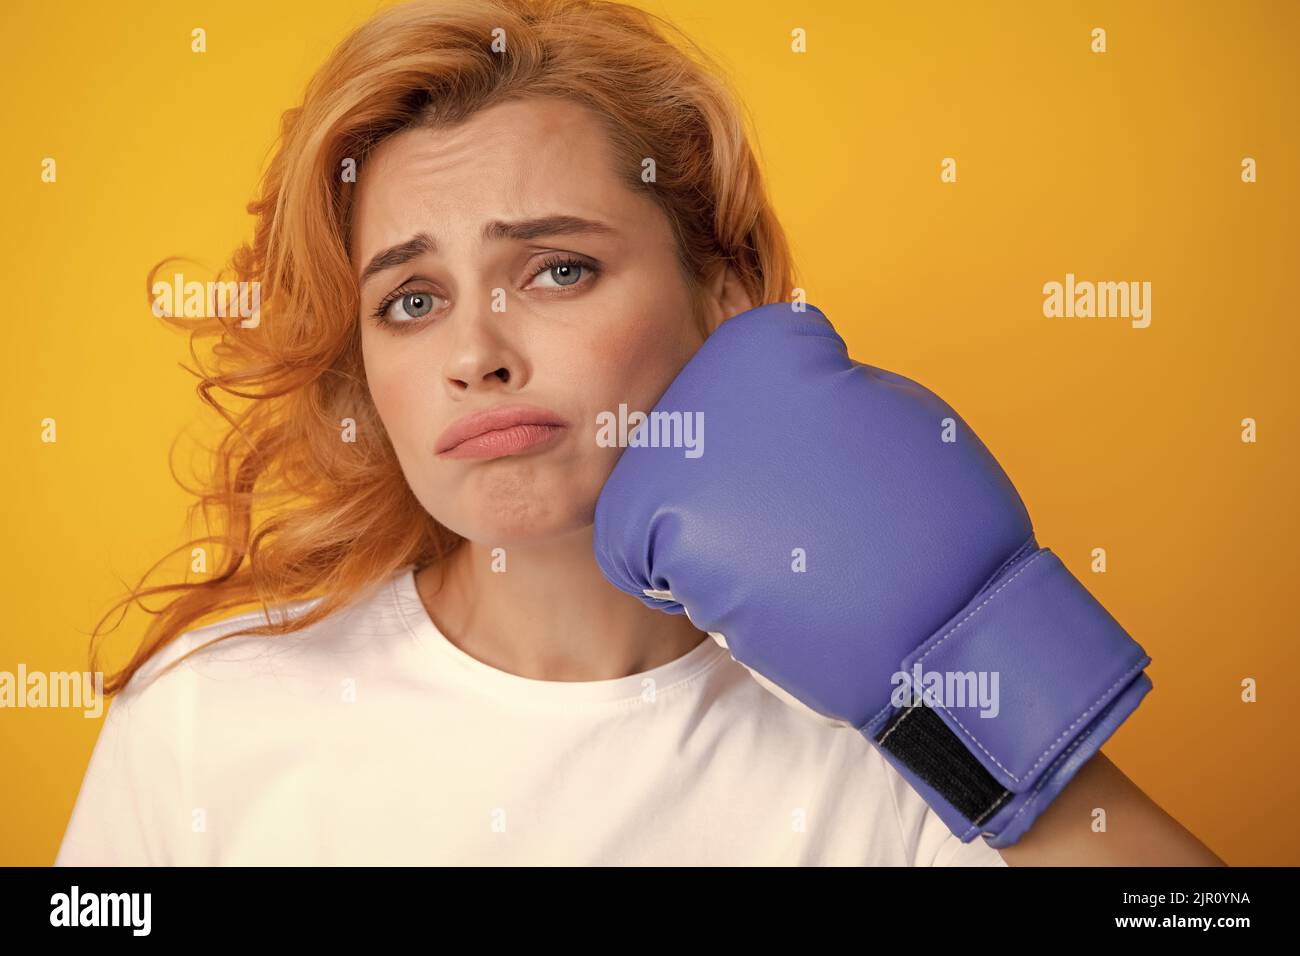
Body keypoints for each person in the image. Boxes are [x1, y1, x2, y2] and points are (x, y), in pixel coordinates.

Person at [56, 0, 1219, 866]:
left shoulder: (885, 724)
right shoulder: (210, 718)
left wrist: (997, 714)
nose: (476, 351)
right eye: (411, 299)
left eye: (557, 268)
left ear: (727, 289)